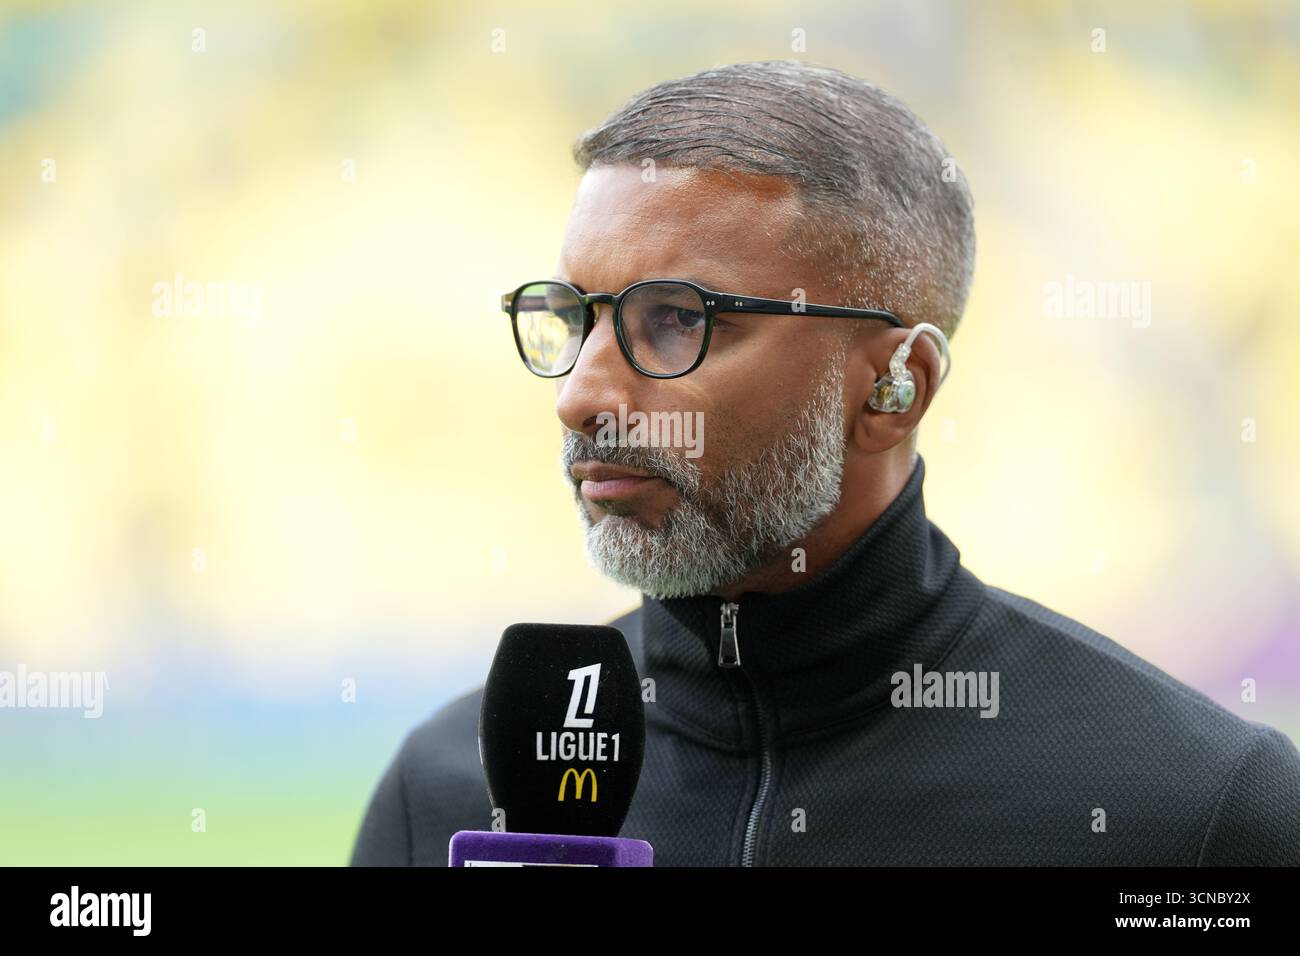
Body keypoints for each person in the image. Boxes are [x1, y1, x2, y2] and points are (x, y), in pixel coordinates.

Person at [350, 60, 1300, 865]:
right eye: (573, 316)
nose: (580, 396)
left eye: (676, 319)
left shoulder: (1197, 812)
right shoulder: (448, 796)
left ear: (897, 386)